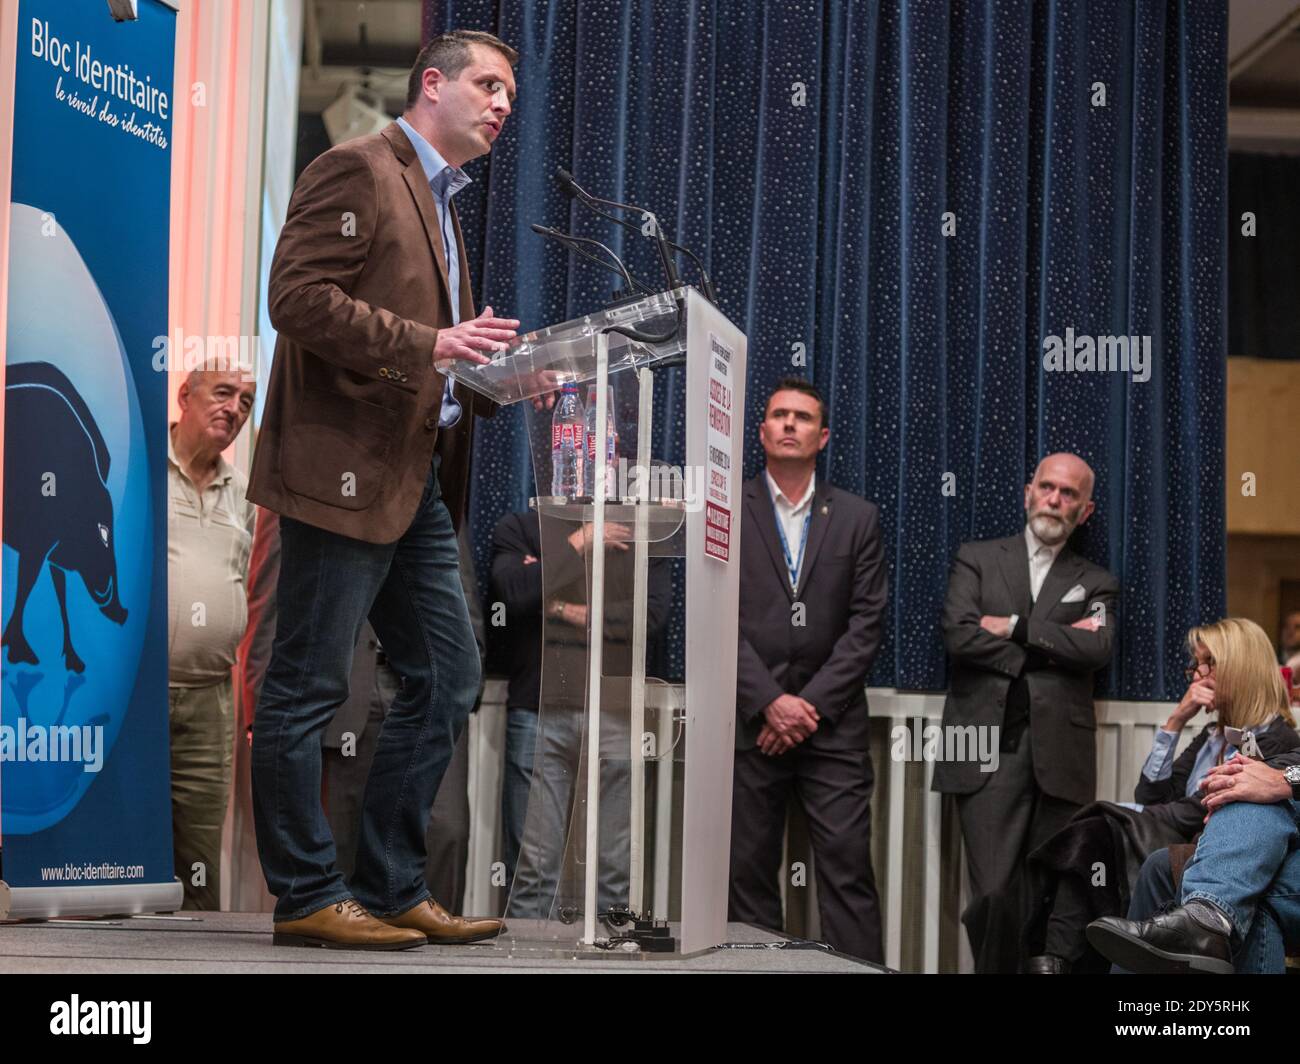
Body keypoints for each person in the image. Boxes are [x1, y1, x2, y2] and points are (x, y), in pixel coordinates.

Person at [246, 30, 520, 949]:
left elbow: (433, 352)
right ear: (431, 83)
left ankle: (394, 883)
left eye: (511, 95)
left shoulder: (442, 203)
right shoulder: (359, 167)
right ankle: (307, 895)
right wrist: (429, 344)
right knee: (307, 688)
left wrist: (497, 374)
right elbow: (294, 297)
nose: (502, 104)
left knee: (448, 677)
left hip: (415, 486)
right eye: (488, 84)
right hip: (339, 473)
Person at [931, 452, 1119, 973]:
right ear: (1028, 492)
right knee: (993, 892)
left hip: (1061, 756)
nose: (1056, 500)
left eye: (1069, 495)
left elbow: (1097, 648)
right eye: (1048, 488)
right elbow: (958, 635)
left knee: (1047, 897)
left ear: (1086, 510)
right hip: (981, 746)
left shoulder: (1097, 581)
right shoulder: (978, 557)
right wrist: (1056, 647)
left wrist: (1013, 626)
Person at [1023, 618, 1298, 972]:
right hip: (1194, 839)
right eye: (1196, 665)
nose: (1199, 675)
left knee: (1100, 835)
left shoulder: (1277, 740)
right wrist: (1176, 721)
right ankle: (1061, 956)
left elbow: (1195, 809)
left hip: (1204, 839)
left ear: (1241, 667)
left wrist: (1123, 813)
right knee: (1097, 840)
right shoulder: (1213, 735)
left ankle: (1059, 958)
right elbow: (1152, 794)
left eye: (1209, 663)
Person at [728, 378, 888, 962]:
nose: (789, 424)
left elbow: (866, 624)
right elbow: (714, 616)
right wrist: (769, 701)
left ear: (821, 437)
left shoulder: (857, 517)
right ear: (762, 430)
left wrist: (806, 707)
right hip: (752, 727)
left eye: (802, 418)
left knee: (847, 875)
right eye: (779, 415)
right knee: (746, 876)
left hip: (833, 729)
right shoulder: (726, 509)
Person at [490, 509, 672, 915]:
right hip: (538, 708)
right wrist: (580, 542)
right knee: (533, 872)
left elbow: (650, 616)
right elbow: (514, 594)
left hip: (616, 711)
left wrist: (556, 607)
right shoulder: (522, 526)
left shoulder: (640, 533)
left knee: (613, 872)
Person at [167, 363, 257, 909]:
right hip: (135, 693)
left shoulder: (243, 493)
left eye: (246, 402)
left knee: (198, 860)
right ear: (185, 395)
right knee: (122, 841)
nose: (234, 409)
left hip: (211, 700)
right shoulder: (136, 471)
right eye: (223, 394)